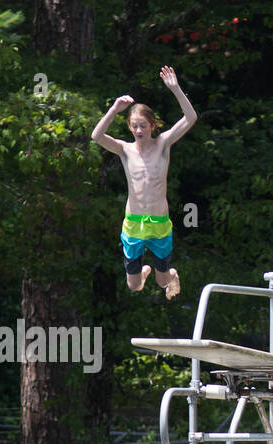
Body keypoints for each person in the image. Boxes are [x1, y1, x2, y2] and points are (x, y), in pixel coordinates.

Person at [91, 66, 197, 298]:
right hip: (133, 223)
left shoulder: (163, 144)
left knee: (162, 281)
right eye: (134, 126)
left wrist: (175, 89)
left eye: (143, 125)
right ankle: (144, 272)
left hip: (159, 223)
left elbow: (191, 118)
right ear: (129, 127)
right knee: (134, 285)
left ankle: (172, 275)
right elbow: (96, 136)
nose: (139, 130)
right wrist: (114, 109)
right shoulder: (125, 150)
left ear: (152, 126)